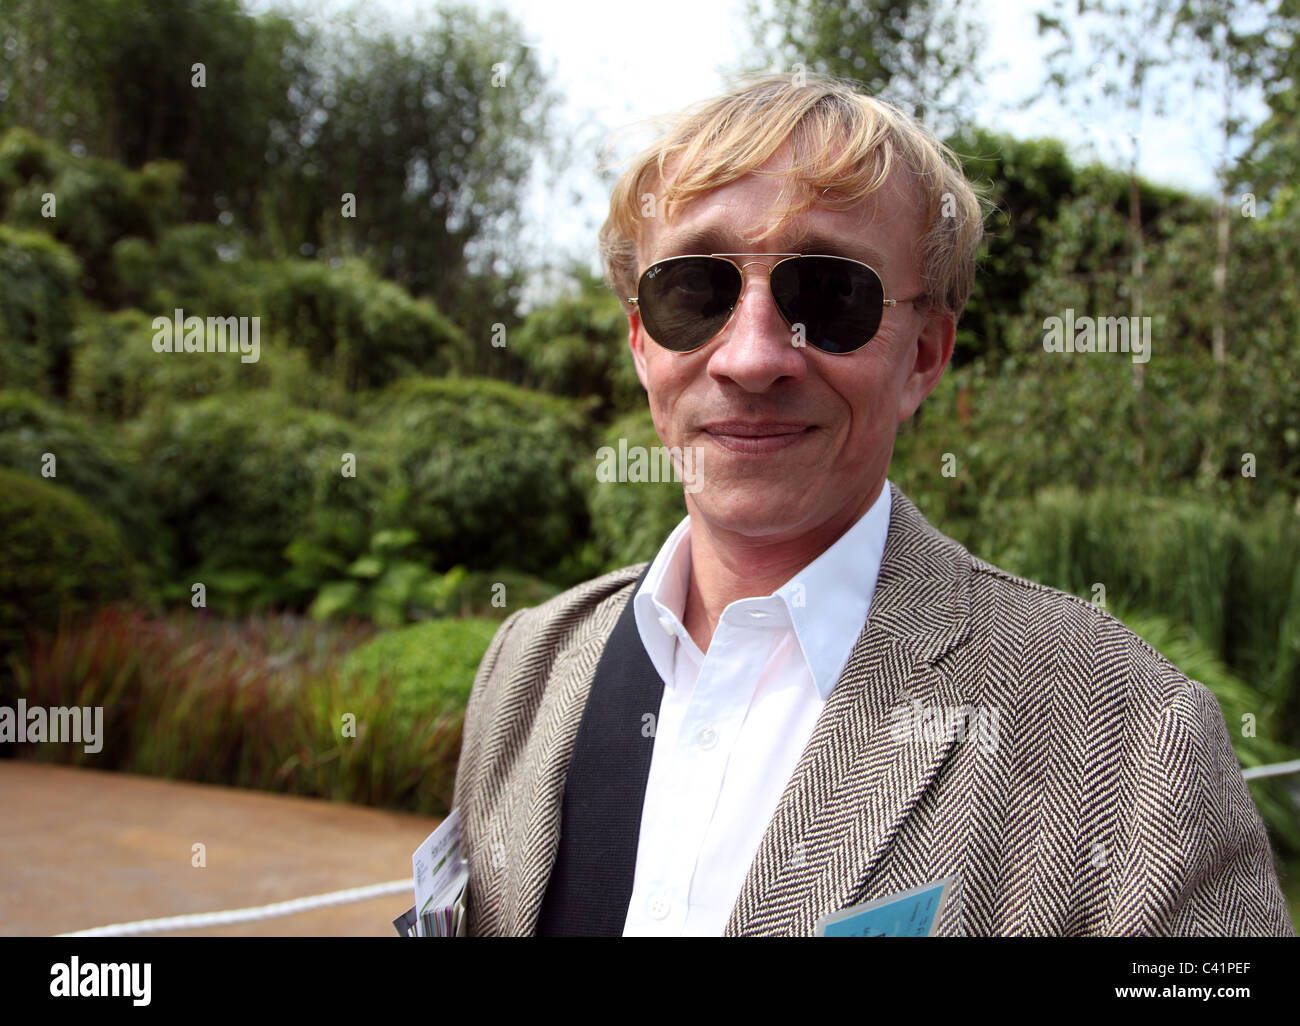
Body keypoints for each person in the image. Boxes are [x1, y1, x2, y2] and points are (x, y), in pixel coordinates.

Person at [451, 73, 1293, 936]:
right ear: (641, 340)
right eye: (695, 291)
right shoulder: (529, 666)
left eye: (828, 296)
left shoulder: (1132, 740)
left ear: (925, 355)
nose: (750, 357)